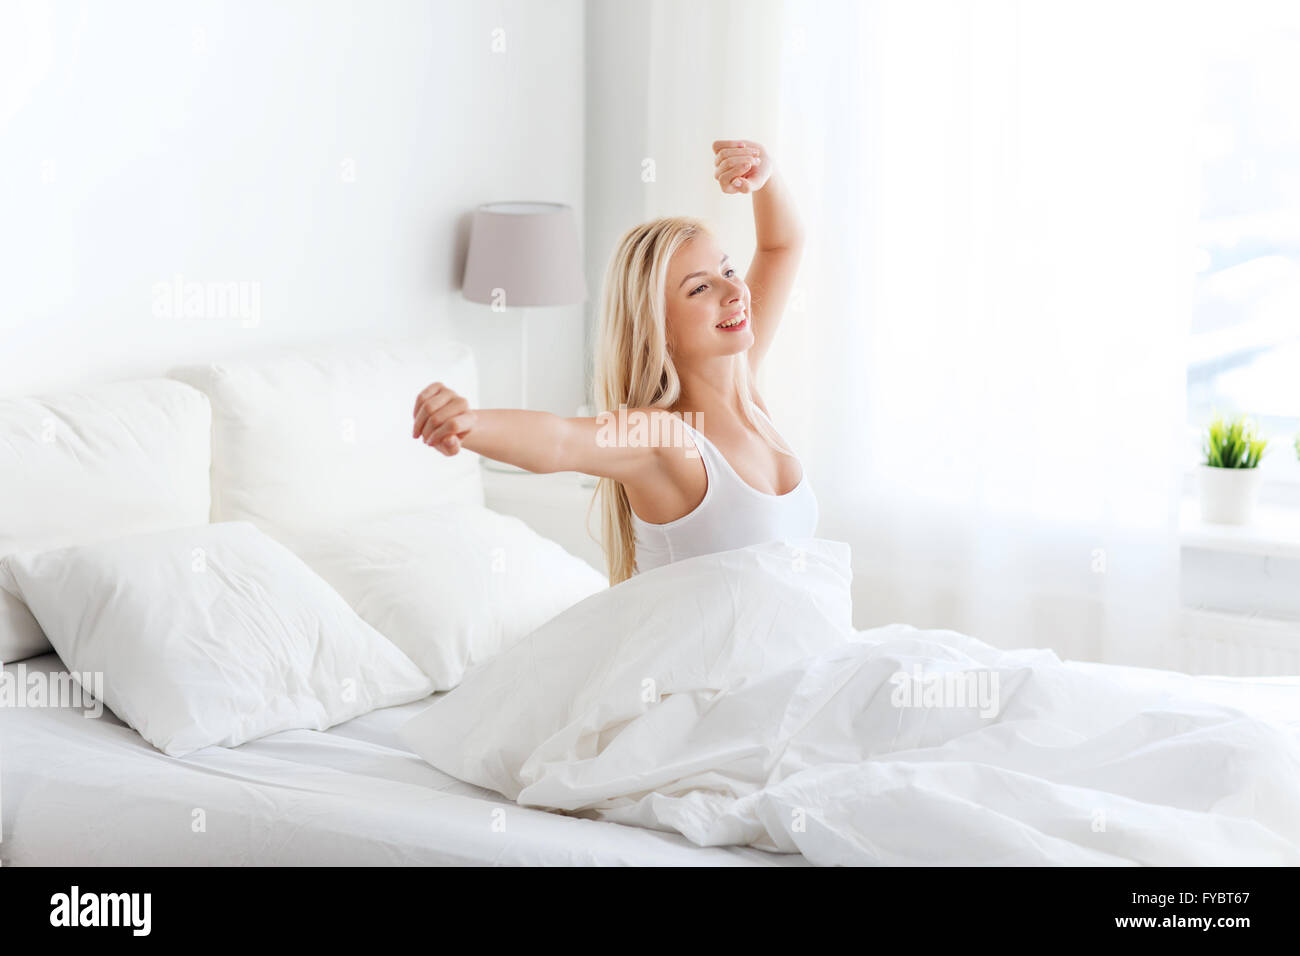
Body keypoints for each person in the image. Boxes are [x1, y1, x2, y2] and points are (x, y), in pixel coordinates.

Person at [413, 139, 815, 585]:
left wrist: (766, 175)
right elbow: (560, 441)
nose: (735, 292)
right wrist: (467, 422)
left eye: (728, 271)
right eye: (700, 289)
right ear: (655, 329)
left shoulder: (745, 390)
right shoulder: (665, 436)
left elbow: (782, 245)